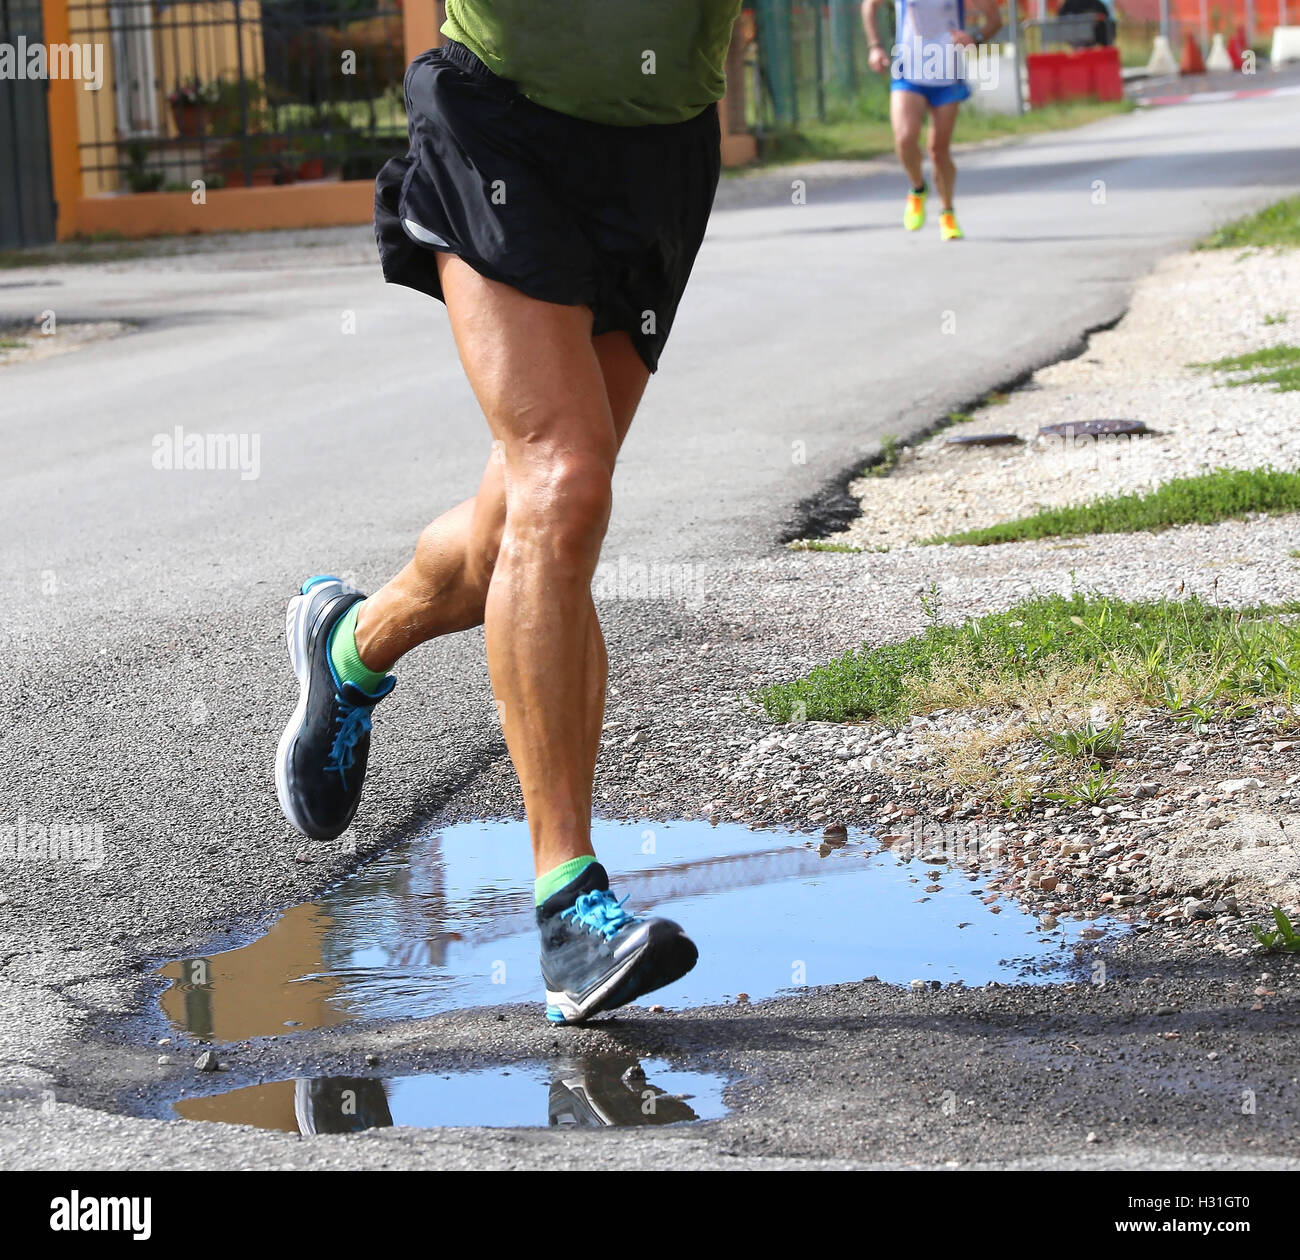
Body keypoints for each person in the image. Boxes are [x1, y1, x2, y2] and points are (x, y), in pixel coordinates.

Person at [274, 1, 742, 1023]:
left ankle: (350, 644)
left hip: (662, 152)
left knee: (525, 526)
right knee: (563, 484)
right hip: (500, 124)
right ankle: (569, 908)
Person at [863, 0, 1003, 239]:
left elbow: (995, 19)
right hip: (908, 73)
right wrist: (875, 46)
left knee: (938, 150)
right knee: (905, 139)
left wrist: (975, 38)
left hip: (947, 76)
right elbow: (869, 5)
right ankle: (918, 188)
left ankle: (947, 213)